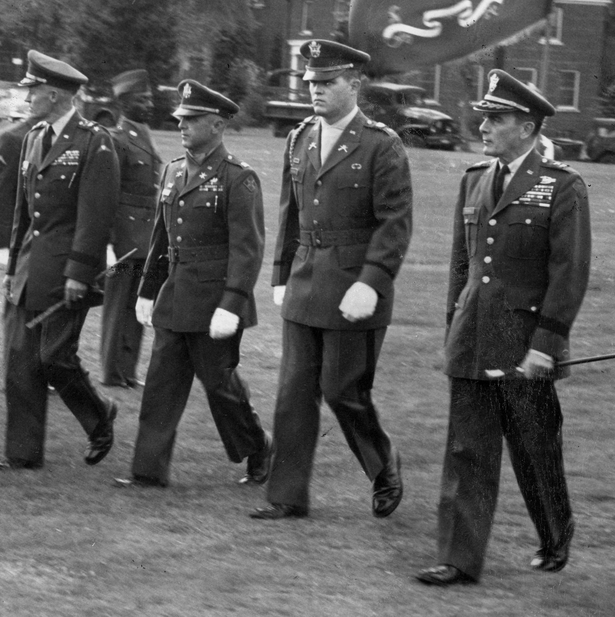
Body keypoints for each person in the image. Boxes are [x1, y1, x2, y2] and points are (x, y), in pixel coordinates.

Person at [416, 69, 591, 586]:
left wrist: (547, 344)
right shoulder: (474, 178)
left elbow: (569, 272)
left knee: (534, 449)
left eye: (497, 118)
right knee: (467, 449)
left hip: (524, 343)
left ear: (529, 126)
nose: (484, 125)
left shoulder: (562, 186)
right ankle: (458, 558)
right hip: (473, 337)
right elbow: (460, 265)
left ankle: (555, 532)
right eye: (485, 116)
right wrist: (453, 329)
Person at [250, 39, 413, 520]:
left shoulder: (381, 144)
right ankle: (286, 496)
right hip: (305, 280)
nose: (315, 91)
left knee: (344, 391)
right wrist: (281, 273)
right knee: (294, 393)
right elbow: (290, 211)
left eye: (327, 82)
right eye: (311, 83)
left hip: (353, 288)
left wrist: (373, 280)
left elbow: (395, 222)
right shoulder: (300, 137)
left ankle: (383, 464)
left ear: (355, 84)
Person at [114, 79, 272, 488]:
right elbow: (161, 240)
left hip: (215, 303)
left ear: (217, 126)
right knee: (161, 389)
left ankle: (259, 450)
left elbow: (248, 249)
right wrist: (148, 289)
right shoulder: (172, 171)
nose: (182, 125)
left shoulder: (239, 178)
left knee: (221, 387)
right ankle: (147, 471)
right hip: (175, 299)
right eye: (181, 118)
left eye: (193, 119)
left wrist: (232, 303)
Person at [0, 50, 120, 471]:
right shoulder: (32, 137)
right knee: (19, 363)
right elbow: (22, 216)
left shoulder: (94, 141)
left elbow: (95, 215)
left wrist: (80, 273)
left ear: (54, 95)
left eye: (32, 92)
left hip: (67, 273)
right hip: (29, 268)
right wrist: (12, 269)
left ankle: (99, 417)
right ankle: (22, 454)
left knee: (54, 359)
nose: (26, 100)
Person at [99, 69, 161, 388]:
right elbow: (108, 194)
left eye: (150, 97)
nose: (149, 103)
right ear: (124, 103)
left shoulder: (143, 133)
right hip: (124, 238)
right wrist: (109, 242)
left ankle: (128, 370)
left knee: (137, 305)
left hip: (145, 237)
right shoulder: (116, 138)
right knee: (118, 306)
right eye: (142, 99)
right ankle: (112, 371)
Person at [0, 113, 38, 271]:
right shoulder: (15, 137)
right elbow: (1, 193)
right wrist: (2, 244)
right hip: (26, 240)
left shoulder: (76, 135)